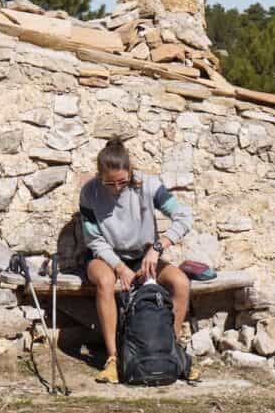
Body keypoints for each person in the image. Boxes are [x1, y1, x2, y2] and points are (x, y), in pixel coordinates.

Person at [79, 136, 194, 384]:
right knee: (105, 281)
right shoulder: (89, 192)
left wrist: (158, 247)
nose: (118, 188)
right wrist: (120, 268)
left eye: (123, 181)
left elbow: (184, 216)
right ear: (100, 177)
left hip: (144, 255)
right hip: (105, 256)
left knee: (180, 283)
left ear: (131, 171)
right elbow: (93, 239)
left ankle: (168, 350)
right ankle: (113, 359)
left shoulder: (149, 185)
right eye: (110, 184)